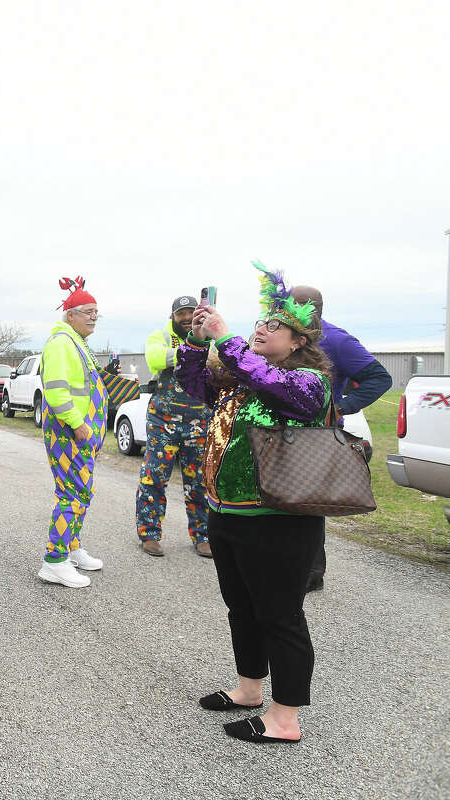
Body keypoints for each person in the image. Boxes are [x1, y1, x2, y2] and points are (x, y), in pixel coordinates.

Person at [176, 262, 332, 744]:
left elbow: (266, 379)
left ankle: (285, 719)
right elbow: (194, 384)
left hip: (279, 519)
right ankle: (248, 690)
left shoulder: (307, 384)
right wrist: (199, 342)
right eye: (260, 321)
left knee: (279, 614)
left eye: (275, 324)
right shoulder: (243, 376)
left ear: (299, 341)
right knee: (241, 608)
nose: (262, 327)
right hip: (228, 512)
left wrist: (228, 338)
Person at [290, 285, 392, 592]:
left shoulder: (336, 339)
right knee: (285, 500)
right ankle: (289, 566)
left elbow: (380, 378)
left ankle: (311, 573)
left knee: (309, 504)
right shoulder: (283, 335)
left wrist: (340, 406)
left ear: (314, 309)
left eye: (295, 305)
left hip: (319, 434)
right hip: (282, 431)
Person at [37, 276, 107, 588]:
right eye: (88, 311)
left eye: (96, 311)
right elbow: (57, 392)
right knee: (73, 493)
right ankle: (54, 560)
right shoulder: (61, 344)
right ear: (70, 315)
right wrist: (79, 425)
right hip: (69, 432)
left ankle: (71, 548)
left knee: (83, 492)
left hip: (81, 435)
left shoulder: (78, 344)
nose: (94, 316)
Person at [136, 295, 212, 558]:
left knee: (200, 481)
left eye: (192, 312)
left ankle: (203, 536)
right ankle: (149, 534)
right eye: (182, 313)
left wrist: (204, 342)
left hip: (199, 422)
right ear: (173, 316)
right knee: (154, 477)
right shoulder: (162, 336)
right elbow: (156, 359)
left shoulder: (210, 336)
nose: (187, 317)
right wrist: (193, 349)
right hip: (163, 421)